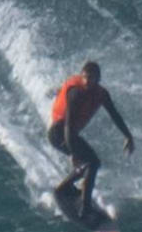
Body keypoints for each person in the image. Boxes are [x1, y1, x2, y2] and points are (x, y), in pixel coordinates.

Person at [45, 55, 135, 221]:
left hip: (70, 134)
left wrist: (128, 135)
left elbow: (114, 114)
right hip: (59, 132)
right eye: (85, 77)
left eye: (91, 79)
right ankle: (84, 209)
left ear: (98, 79)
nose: (87, 81)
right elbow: (68, 125)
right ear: (81, 76)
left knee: (90, 163)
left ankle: (64, 189)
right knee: (92, 163)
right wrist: (73, 153)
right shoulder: (76, 92)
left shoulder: (102, 94)